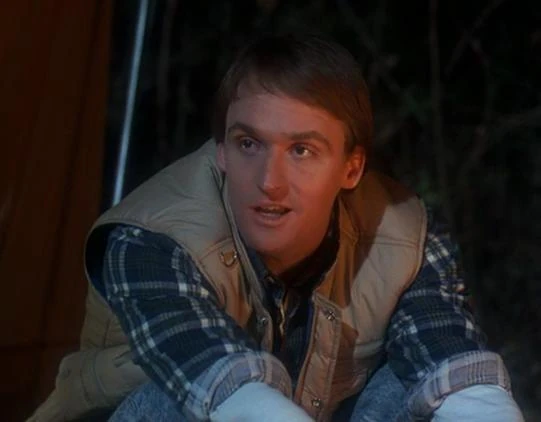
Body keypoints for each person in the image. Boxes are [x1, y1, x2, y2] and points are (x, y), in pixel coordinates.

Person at [29, 33, 524, 422]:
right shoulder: (149, 238)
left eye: (302, 150)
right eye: (249, 144)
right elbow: (219, 379)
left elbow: (450, 361)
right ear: (221, 151)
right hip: (162, 411)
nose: (270, 181)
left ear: (351, 168)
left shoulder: (408, 235)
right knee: (183, 405)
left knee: (424, 391)